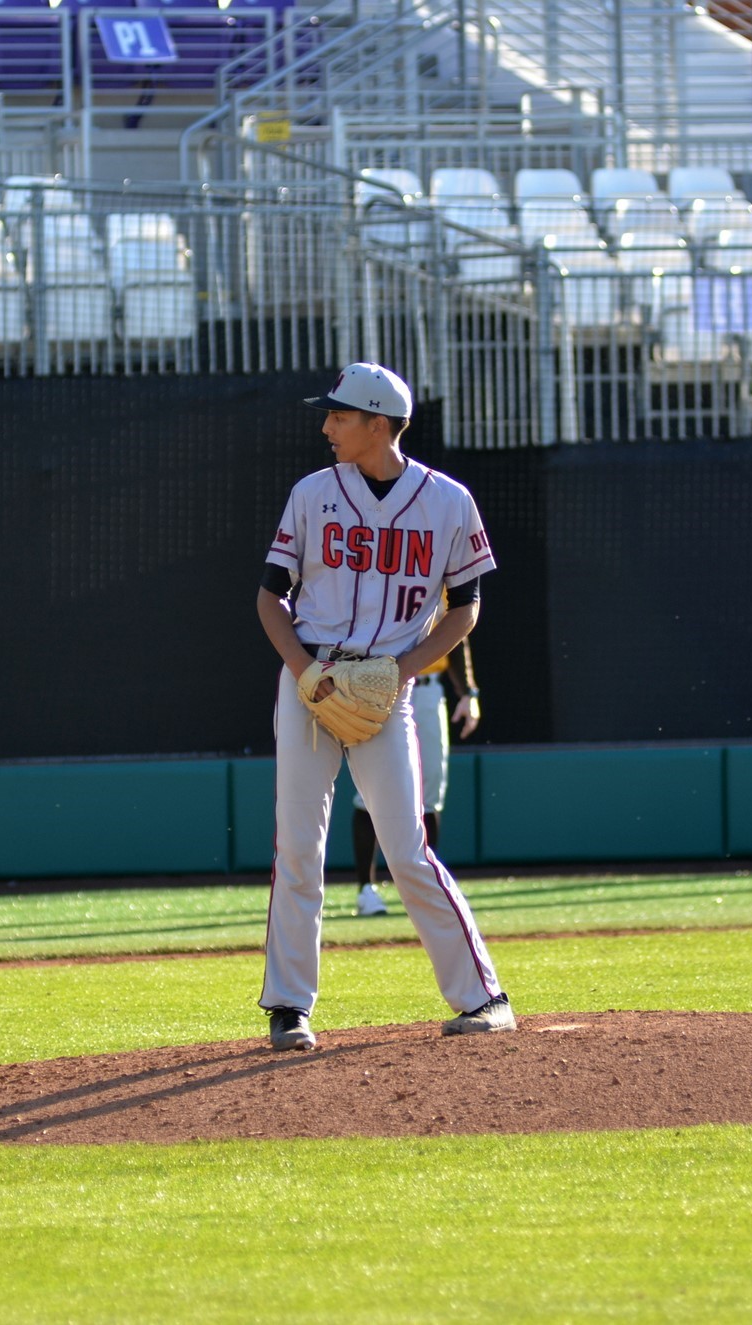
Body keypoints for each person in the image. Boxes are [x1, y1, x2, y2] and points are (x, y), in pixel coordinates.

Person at [254, 362, 512, 1051]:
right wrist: (305, 671)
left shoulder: (449, 502)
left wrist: (399, 671)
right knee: (298, 846)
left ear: (377, 424)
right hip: (311, 680)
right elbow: (268, 598)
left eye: (338, 416)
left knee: (408, 850)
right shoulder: (313, 493)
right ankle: (289, 1006)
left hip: (386, 692)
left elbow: (468, 609)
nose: (325, 425)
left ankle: (484, 996)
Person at [349, 632, 479, 917]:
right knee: (371, 790)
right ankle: (366, 890)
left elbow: (457, 635)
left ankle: (425, 890)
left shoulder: (445, 587)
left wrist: (468, 692)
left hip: (429, 687)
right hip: (380, 685)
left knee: (430, 790)